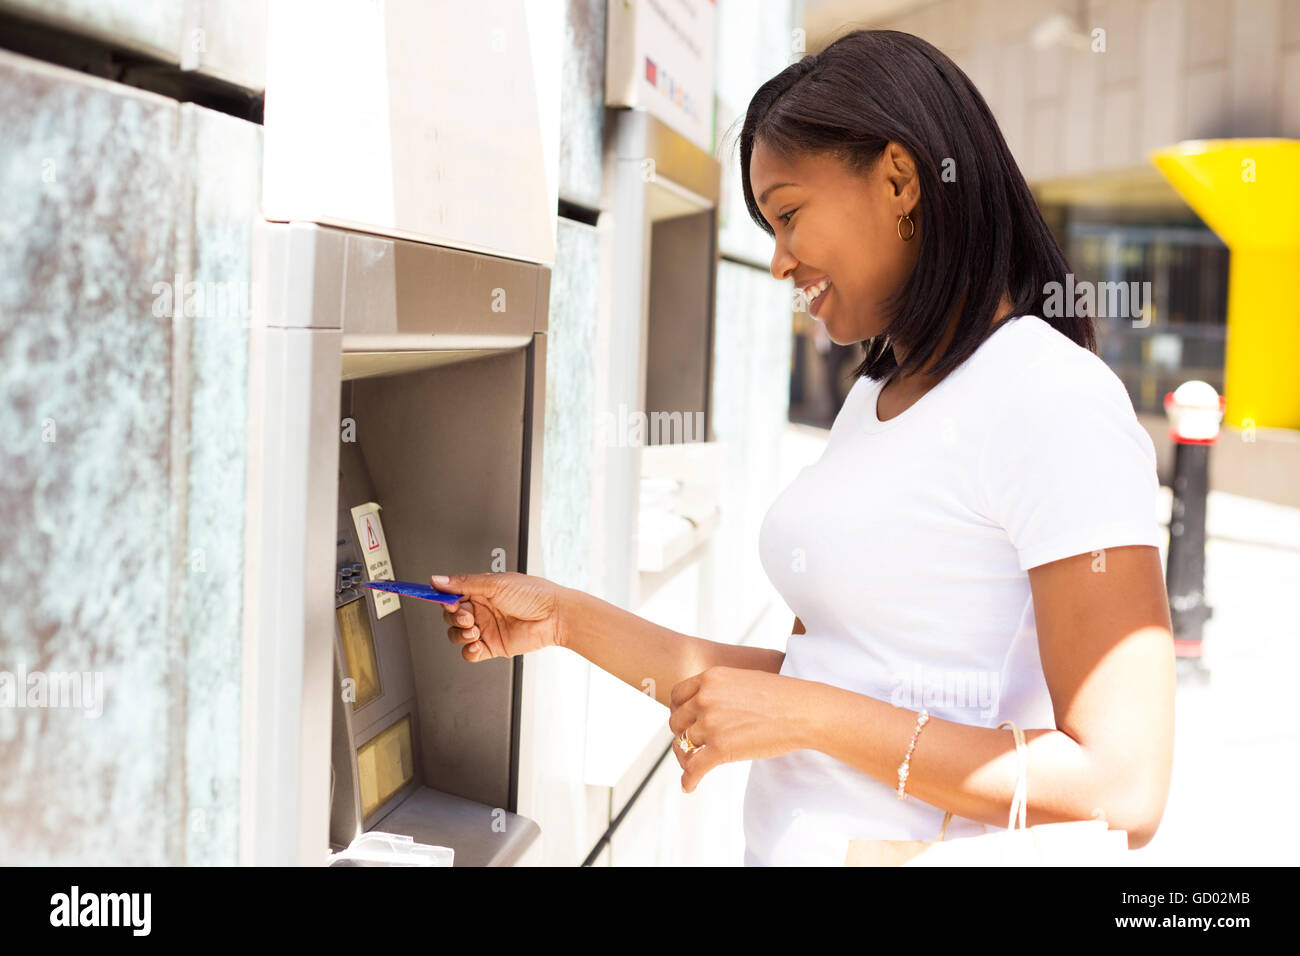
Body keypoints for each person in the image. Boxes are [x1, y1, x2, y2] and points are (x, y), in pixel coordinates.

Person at [434, 29, 1175, 866]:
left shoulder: (1052, 398)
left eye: (787, 215)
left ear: (900, 180)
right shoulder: (875, 398)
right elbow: (803, 680)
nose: (780, 262)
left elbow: (1122, 787)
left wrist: (809, 717)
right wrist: (564, 618)